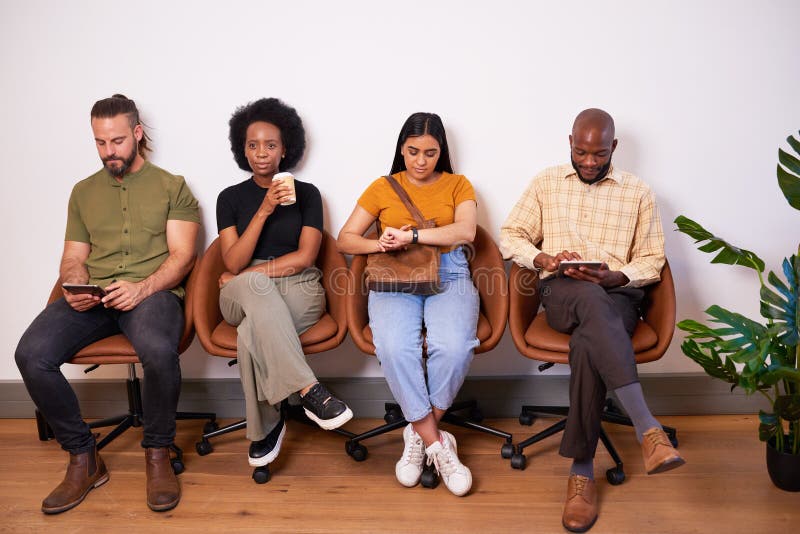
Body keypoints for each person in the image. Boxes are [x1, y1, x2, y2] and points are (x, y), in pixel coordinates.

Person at [500, 108, 685, 532]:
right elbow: (510, 235)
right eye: (581, 152)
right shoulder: (546, 182)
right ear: (569, 142)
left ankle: (581, 473)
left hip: (617, 294)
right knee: (584, 295)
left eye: (598, 154)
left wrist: (615, 275)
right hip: (561, 293)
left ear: (613, 148)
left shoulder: (638, 191)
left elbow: (653, 259)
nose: (588, 161)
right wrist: (544, 257)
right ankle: (647, 428)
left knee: (591, 333)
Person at [15, 94, 200, 513]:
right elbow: (73, 257)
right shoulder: (82, 192)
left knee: (156, 349)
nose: (108, 151)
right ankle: (83, 456)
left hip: (151, 294)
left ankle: (157, 453)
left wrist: (142, 288)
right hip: (94, 298)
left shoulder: (173, 186)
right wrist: (76, 282)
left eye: (116, 141)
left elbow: (183, 256)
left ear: (137, 134)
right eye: (100, 143)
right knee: (30, 354)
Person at [337, 112, 478, 496]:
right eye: (413, 151)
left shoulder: (458, 184)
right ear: (402, 149)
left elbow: (466, 230)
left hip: (448, 270)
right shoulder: (383, 187)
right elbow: (345, 239)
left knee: (455, 346)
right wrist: (378, 243)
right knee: (395, 347)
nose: (420, 161)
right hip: (394, 275)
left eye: (430, 153)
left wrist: (413, 234)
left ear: (441, 152)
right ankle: (435, 441)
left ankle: (417, 429)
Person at [216, 97, 353, 471]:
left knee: (249, 333)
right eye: (253, 145)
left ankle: (266, 428)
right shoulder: (229, 199)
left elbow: (306, 256)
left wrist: (243, 277)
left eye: (271, 145)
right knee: (253, 295)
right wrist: (263, 210)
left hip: (297, 285)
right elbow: (232, 261)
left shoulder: (308, 194)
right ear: (242, 149)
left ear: (285, 149)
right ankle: (309, 390)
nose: (261, 153)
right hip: (241, 292)